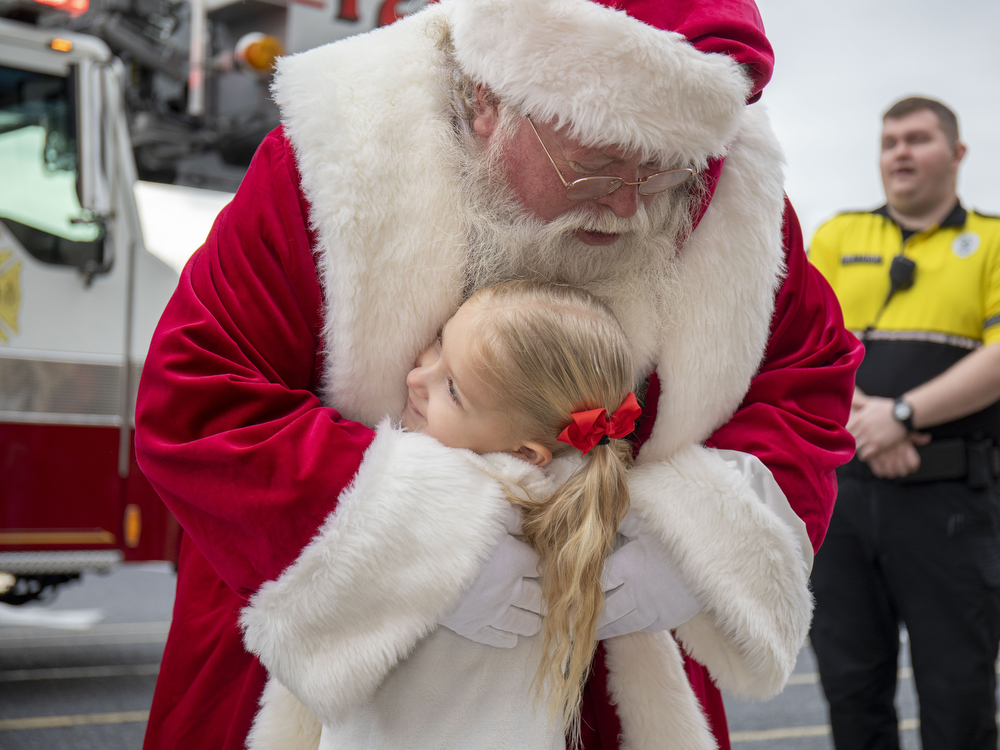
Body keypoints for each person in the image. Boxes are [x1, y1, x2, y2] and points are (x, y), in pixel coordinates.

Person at [134, 1, 862, 748]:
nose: (626, 204)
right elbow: (201, 395)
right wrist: (421, 547)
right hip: (329, 680)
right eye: (597, 163)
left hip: (612, 682)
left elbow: (806, 381)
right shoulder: (340, 149)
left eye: (662, 171)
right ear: (488, 100)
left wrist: (694, 546)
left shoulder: (726, 189)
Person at [241, 280, 718, 750]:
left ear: (527, 452)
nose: (415, 377)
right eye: (439, 344)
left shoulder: (436, 496)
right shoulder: (581, 514)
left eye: (451, 389)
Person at [808, 96, 1000, 750]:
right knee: (851, 690)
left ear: (957, 154)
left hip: (948, 507)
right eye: (890, 140)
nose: (900, 152)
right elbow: (804, 346)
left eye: (917, 139)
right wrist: (871, 424)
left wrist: (903, 415)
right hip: (844, 504)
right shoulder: (837, 236)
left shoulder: (994, 241)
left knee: (959, 695)